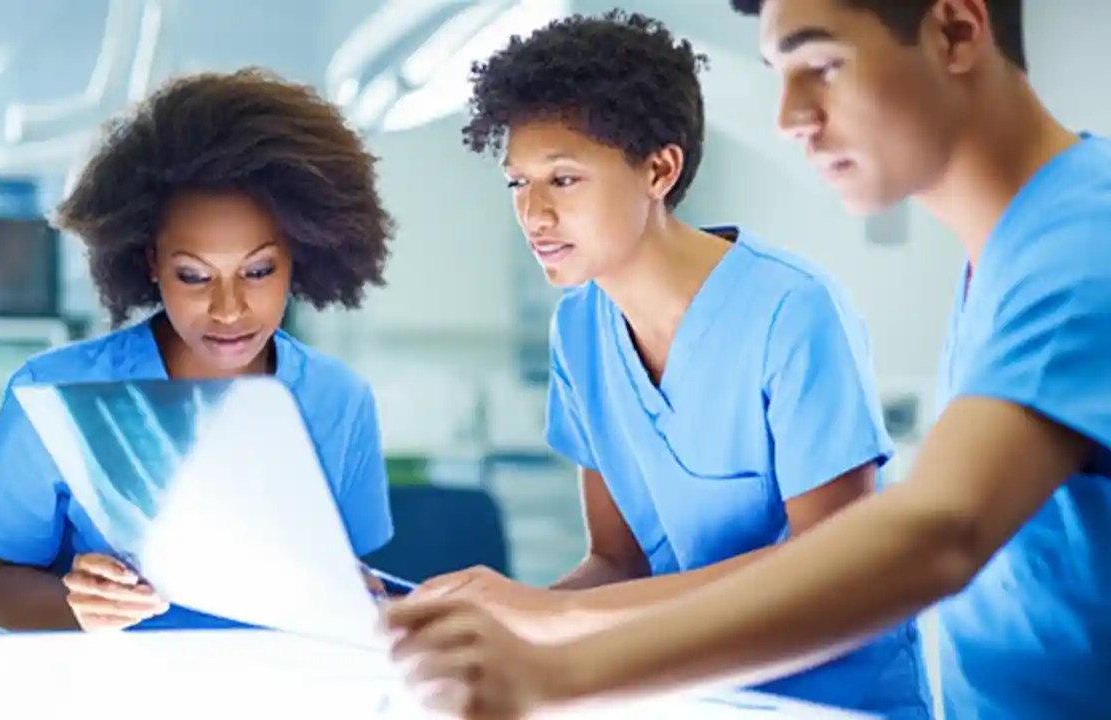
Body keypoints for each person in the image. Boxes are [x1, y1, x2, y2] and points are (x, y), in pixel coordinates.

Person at [383, 0, 1111, 718]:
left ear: (955, 30)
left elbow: (936, 532)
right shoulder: (1005, 257)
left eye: (821, 64)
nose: (788, 118)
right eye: (779, 74)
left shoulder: (1080, 239)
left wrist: (558, 668)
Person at [0, 67, 397, 632]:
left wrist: (358, 593)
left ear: (299, 258)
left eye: (258, 270)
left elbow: (352, 573)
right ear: (151, 265)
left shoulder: (339, 399)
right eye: (194, 276)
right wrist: (76, 604)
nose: (229, 308)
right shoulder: (54, 392)